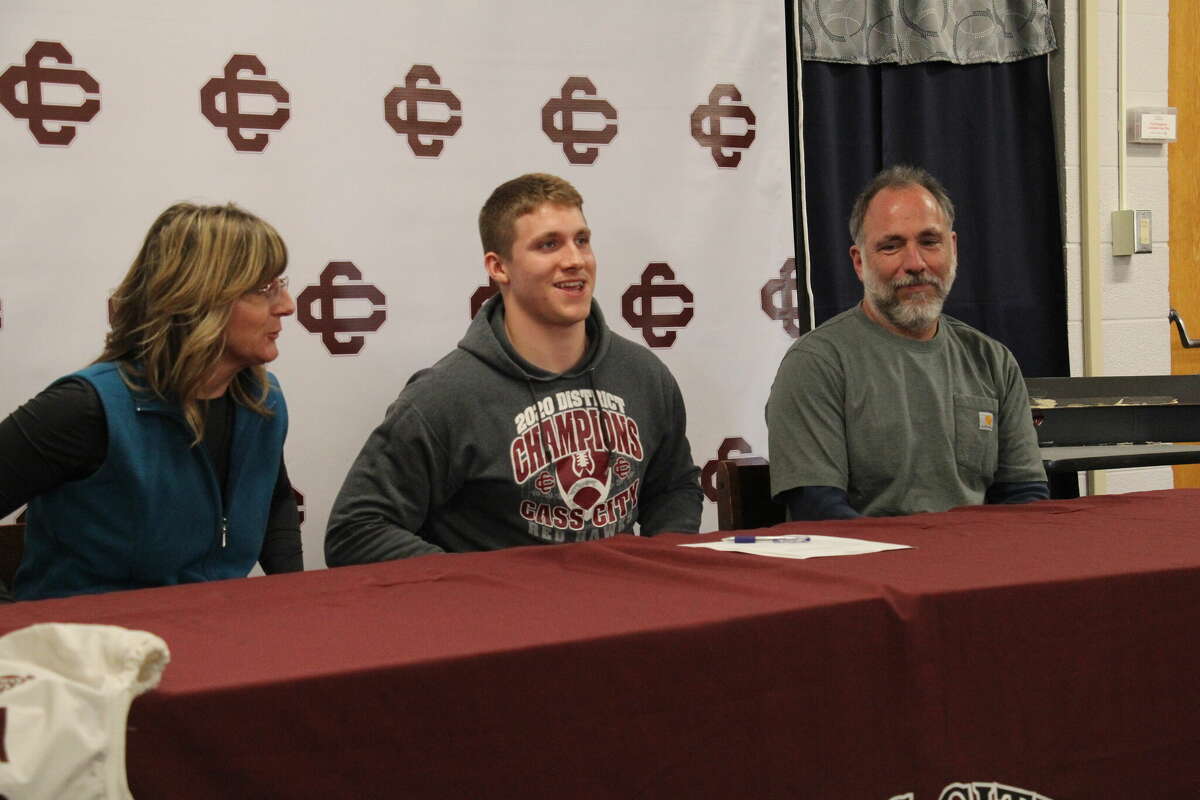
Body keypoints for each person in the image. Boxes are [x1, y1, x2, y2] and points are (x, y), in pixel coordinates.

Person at [326, 173, 702, 563]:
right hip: (503, 619)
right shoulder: (445, 395)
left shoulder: (644, 374)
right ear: (498, 267)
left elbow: (674, 486)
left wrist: (664, 566)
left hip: (625, 610)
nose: (575, 260)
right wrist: (475, 584)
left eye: (582, 240)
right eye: (548, 244)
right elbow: (356, 530)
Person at [0, 202, 303, 601]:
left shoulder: (262, 402)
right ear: (199, 299)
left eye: (280, 284)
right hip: (90, 650)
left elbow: (275, 498)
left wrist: (297, 598)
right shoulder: (85, 408)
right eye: (263, 289)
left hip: (216, 636)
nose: (287, 304)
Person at [766, 165, 1048, 521]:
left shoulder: (993, 361)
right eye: (891, 246)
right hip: (867, 569)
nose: (915, 264)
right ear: (859, 262)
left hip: (977, 567)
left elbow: (1025, 497)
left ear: (953, 248)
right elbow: (819, 510)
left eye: (929, 242)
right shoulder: (817, 364)